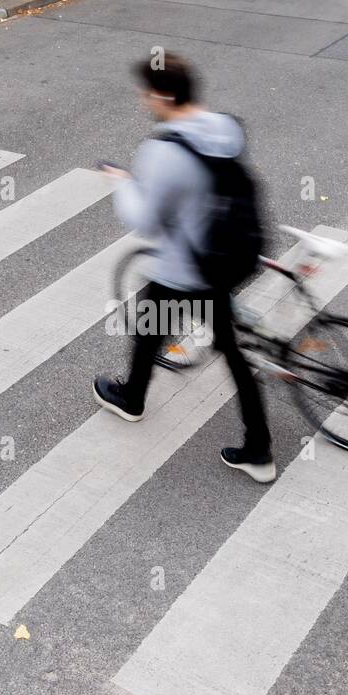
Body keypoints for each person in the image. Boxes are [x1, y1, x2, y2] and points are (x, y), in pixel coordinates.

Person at [94, 54, 275, 483]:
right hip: (235, 252)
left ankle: (134, 399)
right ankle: (258, 448)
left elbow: (147, 221)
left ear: (162, 95)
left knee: (156, 320)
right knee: (208, 340)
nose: (142, 101)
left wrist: (122, 184)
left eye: (145, 94)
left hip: (189, 266)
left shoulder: (162, 152)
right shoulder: (225, 127)